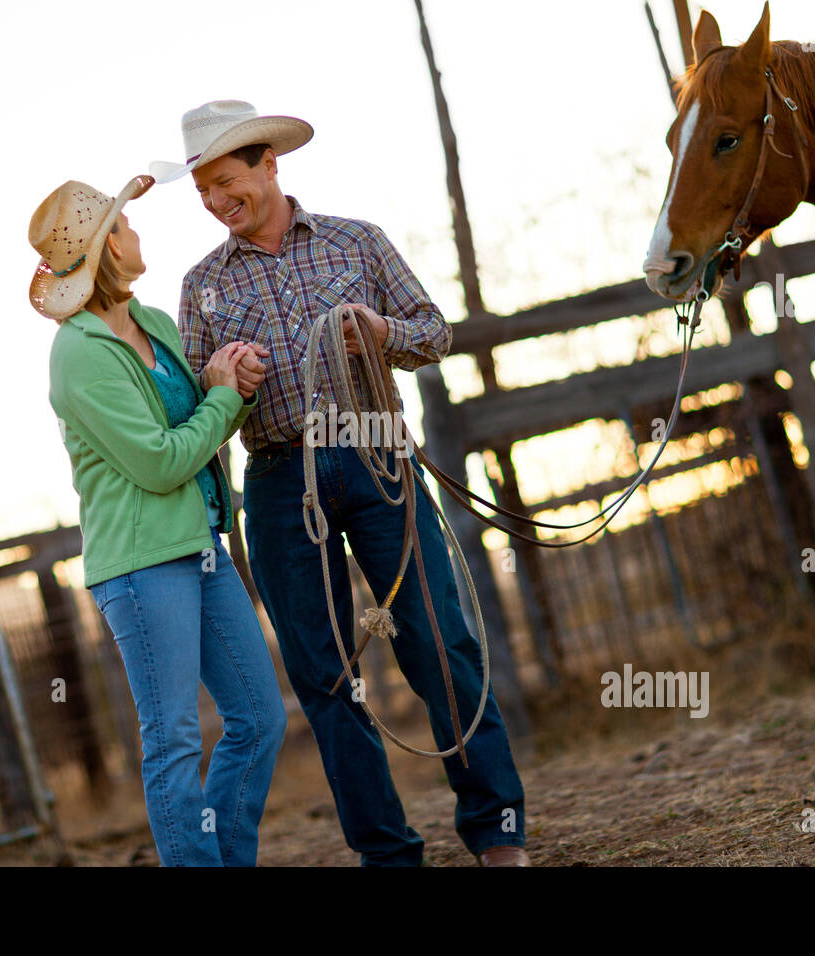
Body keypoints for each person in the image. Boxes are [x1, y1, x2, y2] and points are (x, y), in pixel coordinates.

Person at [151, 101, 530, 866]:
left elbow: (433, 330)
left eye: (230, 183)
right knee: (326, 677)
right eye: (205, 194)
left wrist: (384, 334)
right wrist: (227, 379)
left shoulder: (359, 242)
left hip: (374, 450)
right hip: (279, 474)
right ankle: (387, 855)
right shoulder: (202, 287)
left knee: (439, 642)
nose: (220, 204)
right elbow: (194, 404)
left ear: (269, 164)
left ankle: (498, 832)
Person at [30, 173, 286, 866]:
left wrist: (216, 379)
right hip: (143, 567)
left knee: (261, 717)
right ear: (107, 250)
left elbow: (187, 417)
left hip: (201, 544)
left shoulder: (154, 325)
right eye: (124, 225)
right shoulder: (79, 353)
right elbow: (158, 462)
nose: (136, 232)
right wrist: (225, 400)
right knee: (172, 741)